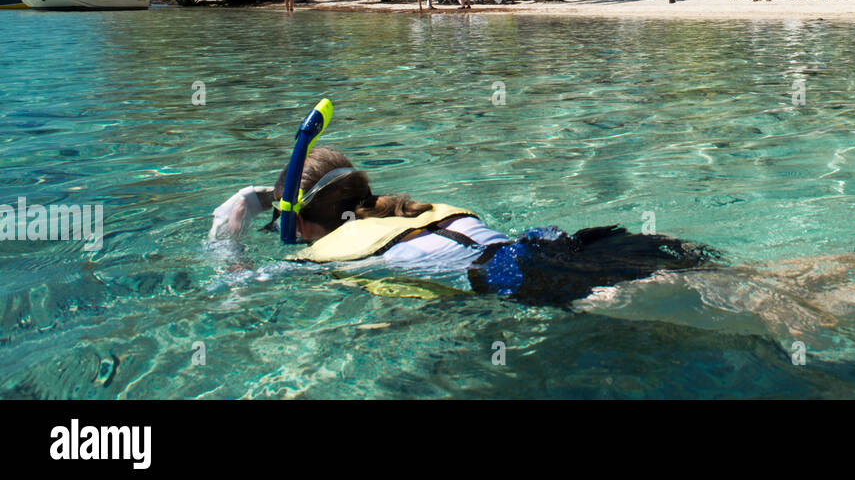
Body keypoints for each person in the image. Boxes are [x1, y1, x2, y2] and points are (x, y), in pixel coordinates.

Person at [209, 147, 715, 306]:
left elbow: (229, 280)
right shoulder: (404, 209)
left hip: (530, 281)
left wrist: (242, 211)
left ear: (296, 222)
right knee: (748, 285)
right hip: (570, 246)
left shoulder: (319, 259)